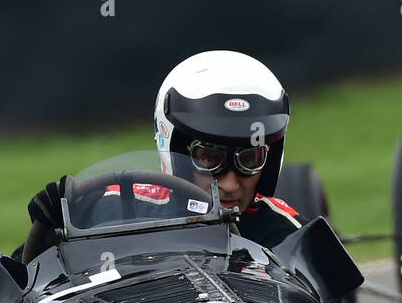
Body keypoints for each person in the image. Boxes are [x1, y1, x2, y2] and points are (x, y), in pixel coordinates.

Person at [18, 51, 304, 263]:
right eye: (208, 159)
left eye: (249, 160)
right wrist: (49, 232)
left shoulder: (289, 234)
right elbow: (14, 289)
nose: (229, 185)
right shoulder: (115, 209)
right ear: (174, 146)